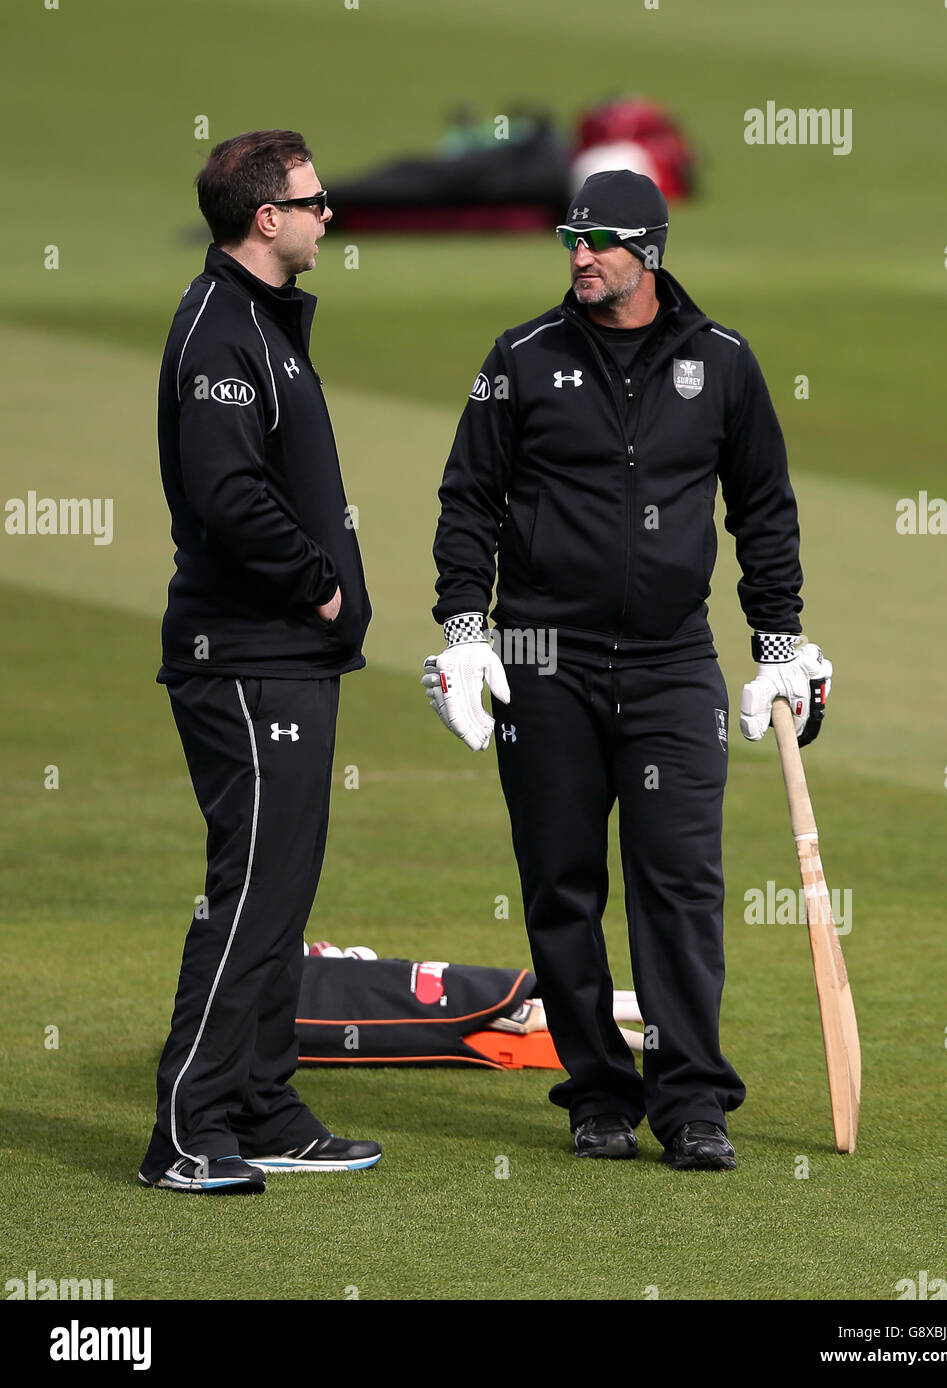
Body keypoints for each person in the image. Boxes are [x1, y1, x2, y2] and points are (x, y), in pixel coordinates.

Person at [424, 169, 831, 1171]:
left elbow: (765, 513)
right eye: (572, 240)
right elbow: (467, 498)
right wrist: (464, 628)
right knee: (562, 884)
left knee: (680, 885)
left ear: (647, 251)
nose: (579, 258)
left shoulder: (723, 362)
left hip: (670, 661)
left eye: (599, 242)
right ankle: (597, 1091)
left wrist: (780, 646)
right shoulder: (520, 357)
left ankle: (692, 1100)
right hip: (540, 659)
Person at [140, 130, 381, 1194]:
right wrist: (319, 584)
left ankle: (263, 1102)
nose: (331, 215)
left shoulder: (262, 323)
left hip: (287, 656)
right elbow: (228, 495)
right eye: (315, 201)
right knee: (245, 894)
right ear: (264, 218)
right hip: (243, 657)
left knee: (280, 893)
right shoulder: (218, 331)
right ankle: (187, 1130)